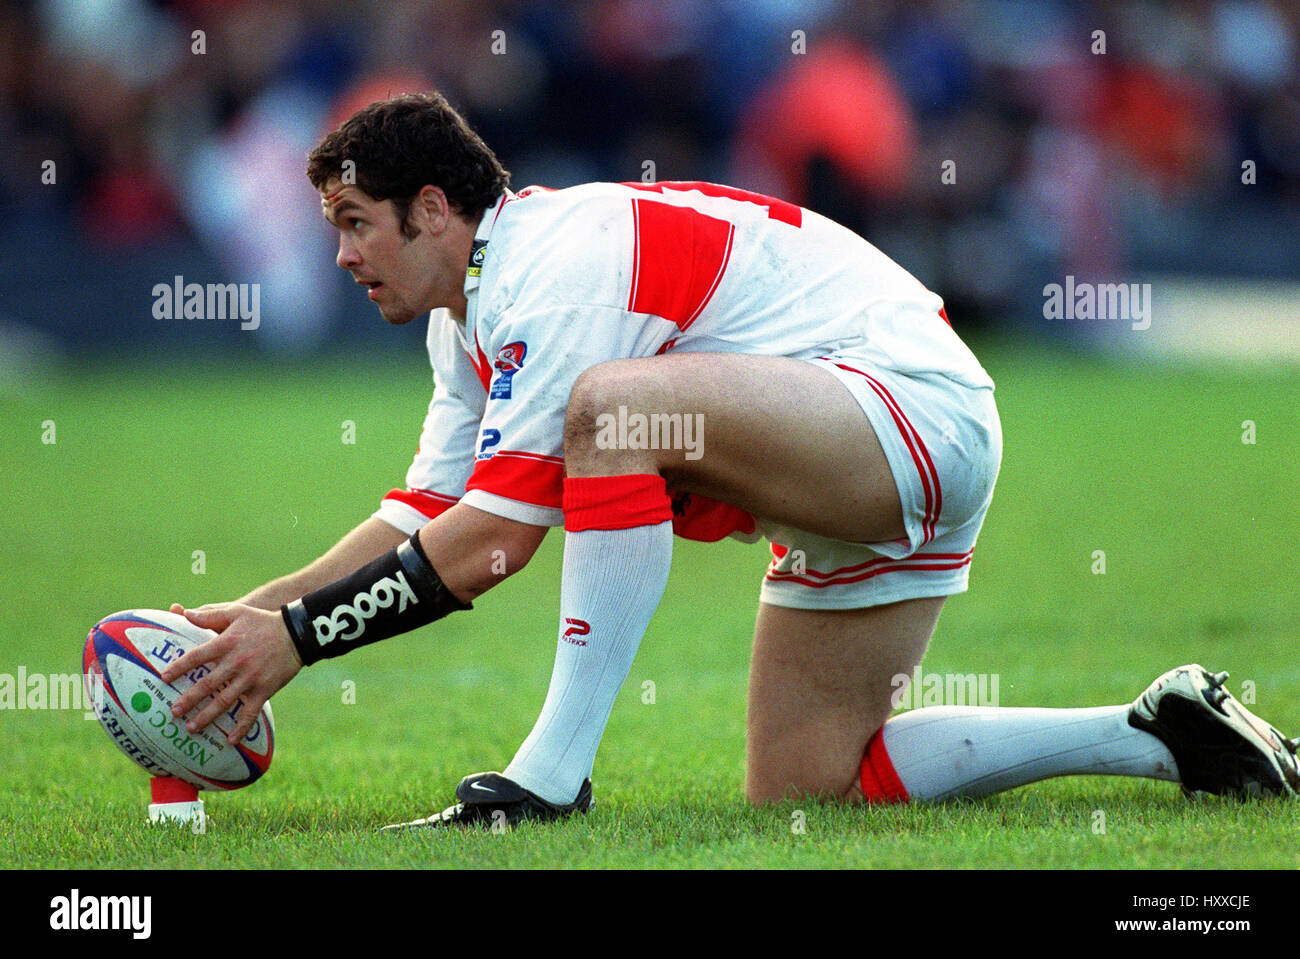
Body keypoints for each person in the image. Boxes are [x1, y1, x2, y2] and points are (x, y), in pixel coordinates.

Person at [161, 92, 1299, 829]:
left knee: (609, 412)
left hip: (905, 412)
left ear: (433, 208)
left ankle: (547, 780)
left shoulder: (551, 268)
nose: (343, 252)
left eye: (356, 221)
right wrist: (252, 617)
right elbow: (423, 512)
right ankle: (1153, 732)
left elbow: (493, 543)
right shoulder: (469, 318)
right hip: (861, 446)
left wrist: (300, 641)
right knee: (809, 782)